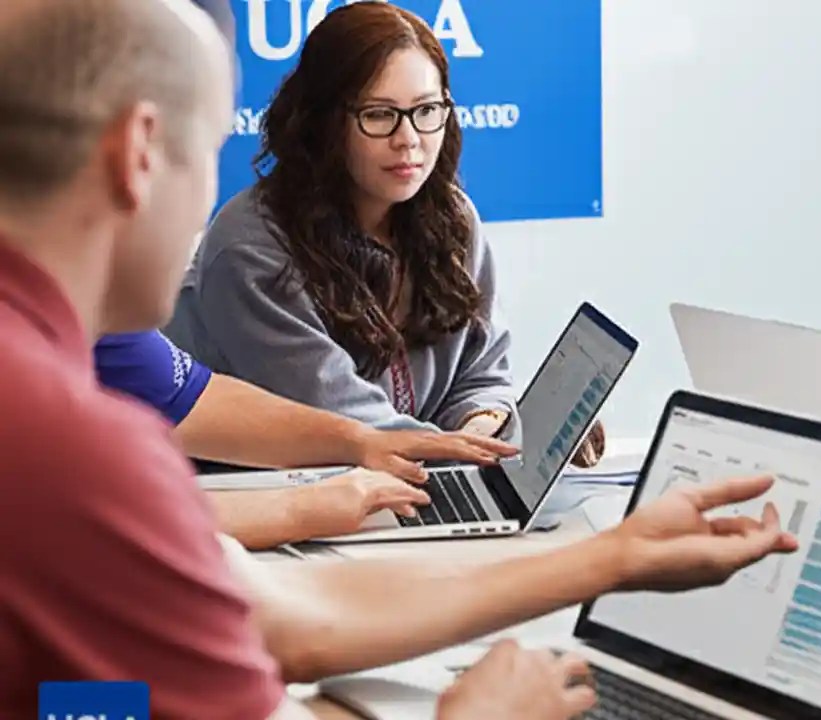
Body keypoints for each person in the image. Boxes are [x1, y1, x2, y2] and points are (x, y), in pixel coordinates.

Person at [0, 5, 795, 718]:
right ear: (139, 153)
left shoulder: (65, 398)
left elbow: (292, 618)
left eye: (425, 112)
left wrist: (615, 555)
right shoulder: (71, 444)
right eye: (203, 152)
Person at [164, 1, 608, 468]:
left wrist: (491, 429)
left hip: (397, 489)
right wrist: (494, 449)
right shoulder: (250, 247)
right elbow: (345, 424)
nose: (409, 138)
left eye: (426, 110)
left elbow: (481, 376)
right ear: (323, 123)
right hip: (256, 507)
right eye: (379, 115)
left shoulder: (453, 219)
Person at [96, 329, 518, 549]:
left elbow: (195, 400)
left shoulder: (90, 314)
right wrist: (299, 510)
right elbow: (99, 520)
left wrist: (360, 441)